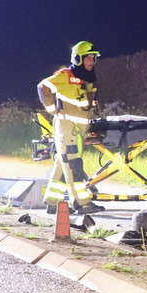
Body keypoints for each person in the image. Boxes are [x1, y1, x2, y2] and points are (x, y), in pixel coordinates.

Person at [38, 40, 105, 214]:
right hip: (68, 128)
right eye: (88, 58)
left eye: (93, 58)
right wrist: (52, 110)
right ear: (78, 59)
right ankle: (81, 203)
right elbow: (43, 86)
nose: (91, 61)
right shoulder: (65, 76)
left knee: (63, 163)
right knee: (74, 163)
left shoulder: (87, 79)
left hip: (77, 129)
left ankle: (53, 202)